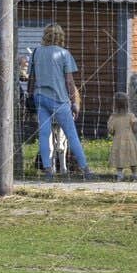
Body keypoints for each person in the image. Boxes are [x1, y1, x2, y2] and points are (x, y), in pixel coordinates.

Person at [27, 22, 92, 180]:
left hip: (40, 96)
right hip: (59, 99)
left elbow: (31, 78)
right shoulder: (64, 54)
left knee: (44, 134)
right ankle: (85, 169)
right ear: (60, 36)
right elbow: (69, 81)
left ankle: (48, 170)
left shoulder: (36, 52)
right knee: (71, 134)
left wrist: (29, 97)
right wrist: (75, 103)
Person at [107, 92, 137, 181]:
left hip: (118, 140)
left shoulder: (113, 117)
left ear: (115, 104)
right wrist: (134, 126)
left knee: (119, 156)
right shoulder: (131, 116)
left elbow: (111, 131)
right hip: (130, 139)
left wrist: (115, 132)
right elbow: (135, 129)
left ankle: (120, 174)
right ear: (127, 103)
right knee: (132, 156)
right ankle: (134, 174)